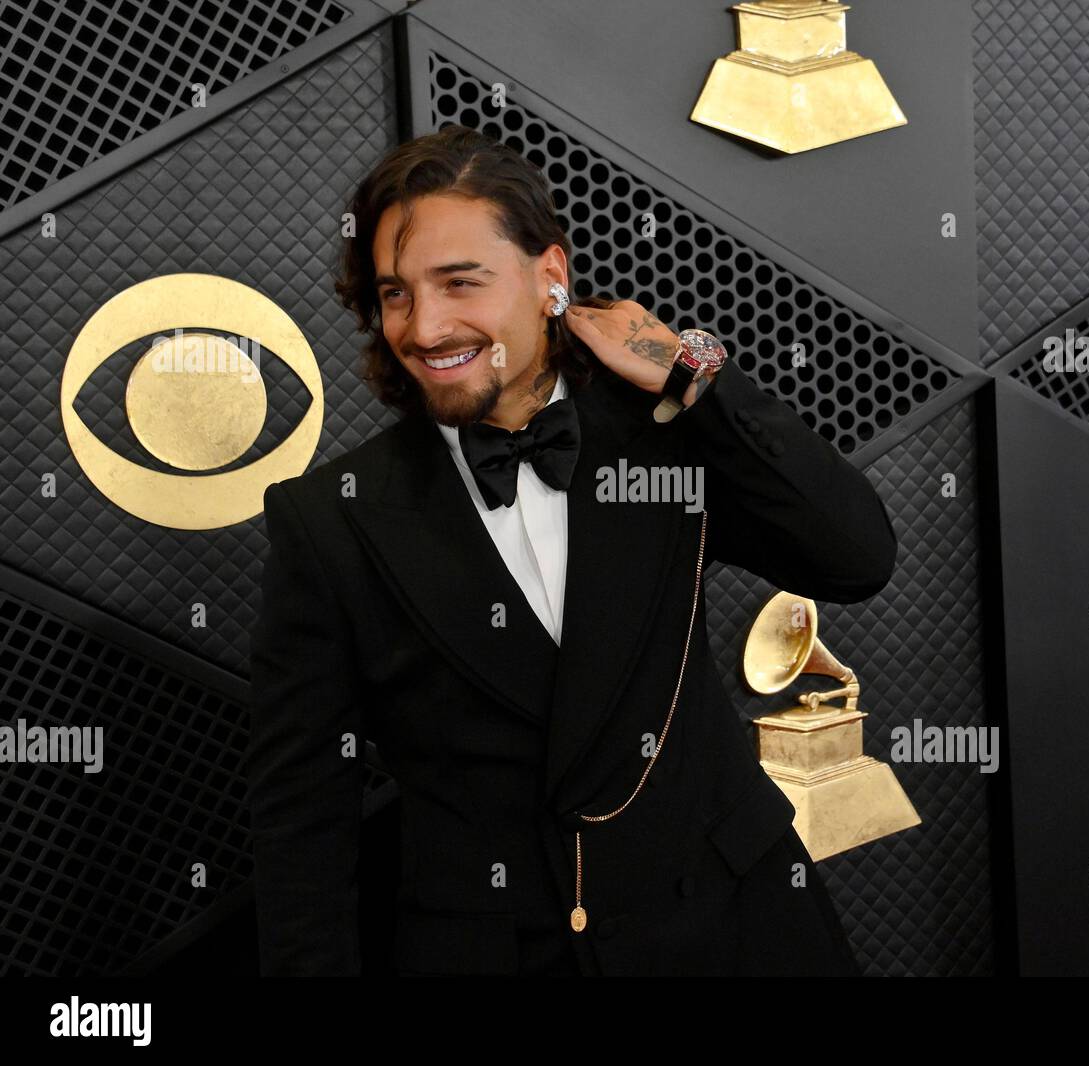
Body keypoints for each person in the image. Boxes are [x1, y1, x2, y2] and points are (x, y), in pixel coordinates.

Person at [244, 125, 897, 976]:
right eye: (396, 294)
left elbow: (856, 556)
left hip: (738, 931)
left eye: (459, 283)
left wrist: (696, 378)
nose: (426, 326)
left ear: (549, 277)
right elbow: (302, 820)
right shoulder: (330, 520)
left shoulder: (667, 438)